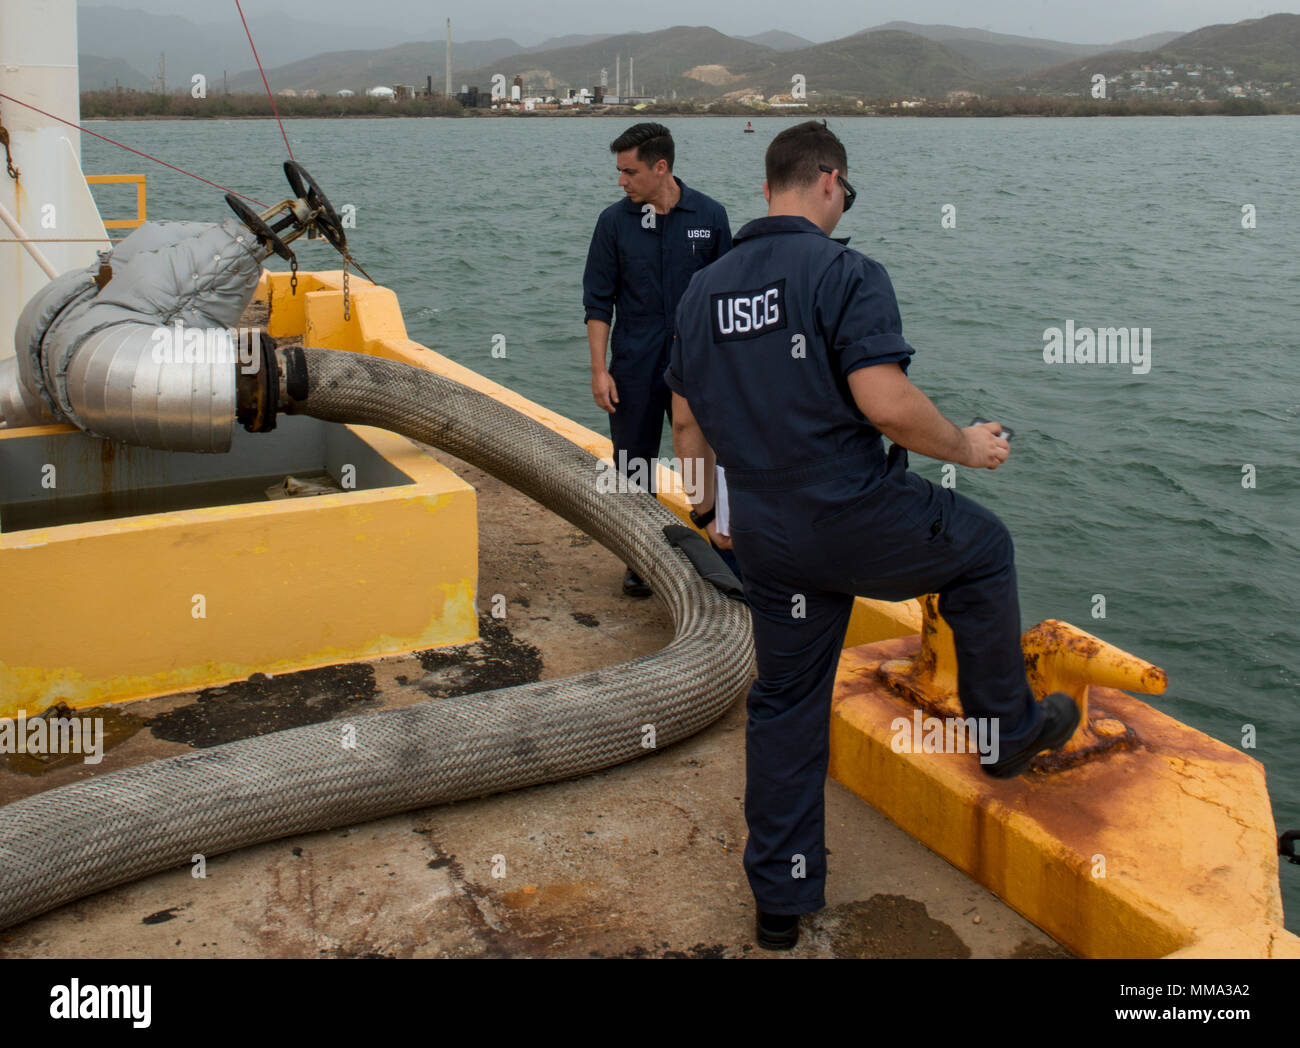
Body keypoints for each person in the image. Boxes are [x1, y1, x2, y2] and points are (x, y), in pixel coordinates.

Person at [665, 120, 1079, 951]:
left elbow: (685, 422)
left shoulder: (701, 292)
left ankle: (780, 902)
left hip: (768, 536)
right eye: (844, 192)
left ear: (765, 190)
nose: (842, 203)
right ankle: (1004, 737)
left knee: (784, 701)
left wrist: (711, 517)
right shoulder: (845, 271)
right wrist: (967, 445)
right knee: (983, 550)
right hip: (855, 515)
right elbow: (885, 403)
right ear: (828, 180)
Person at [583, 122, 735, 596]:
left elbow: (726, 300)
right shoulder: (613, 222)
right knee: (633, 463)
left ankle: (711, 541)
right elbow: (597, 300)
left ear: (661, 166)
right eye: (619, 172)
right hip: (634, 362)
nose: (622, 181)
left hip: (697, 364)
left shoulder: (709, 216)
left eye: (629, 172)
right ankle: (640, 558)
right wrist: (599, 368)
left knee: (703, 459)